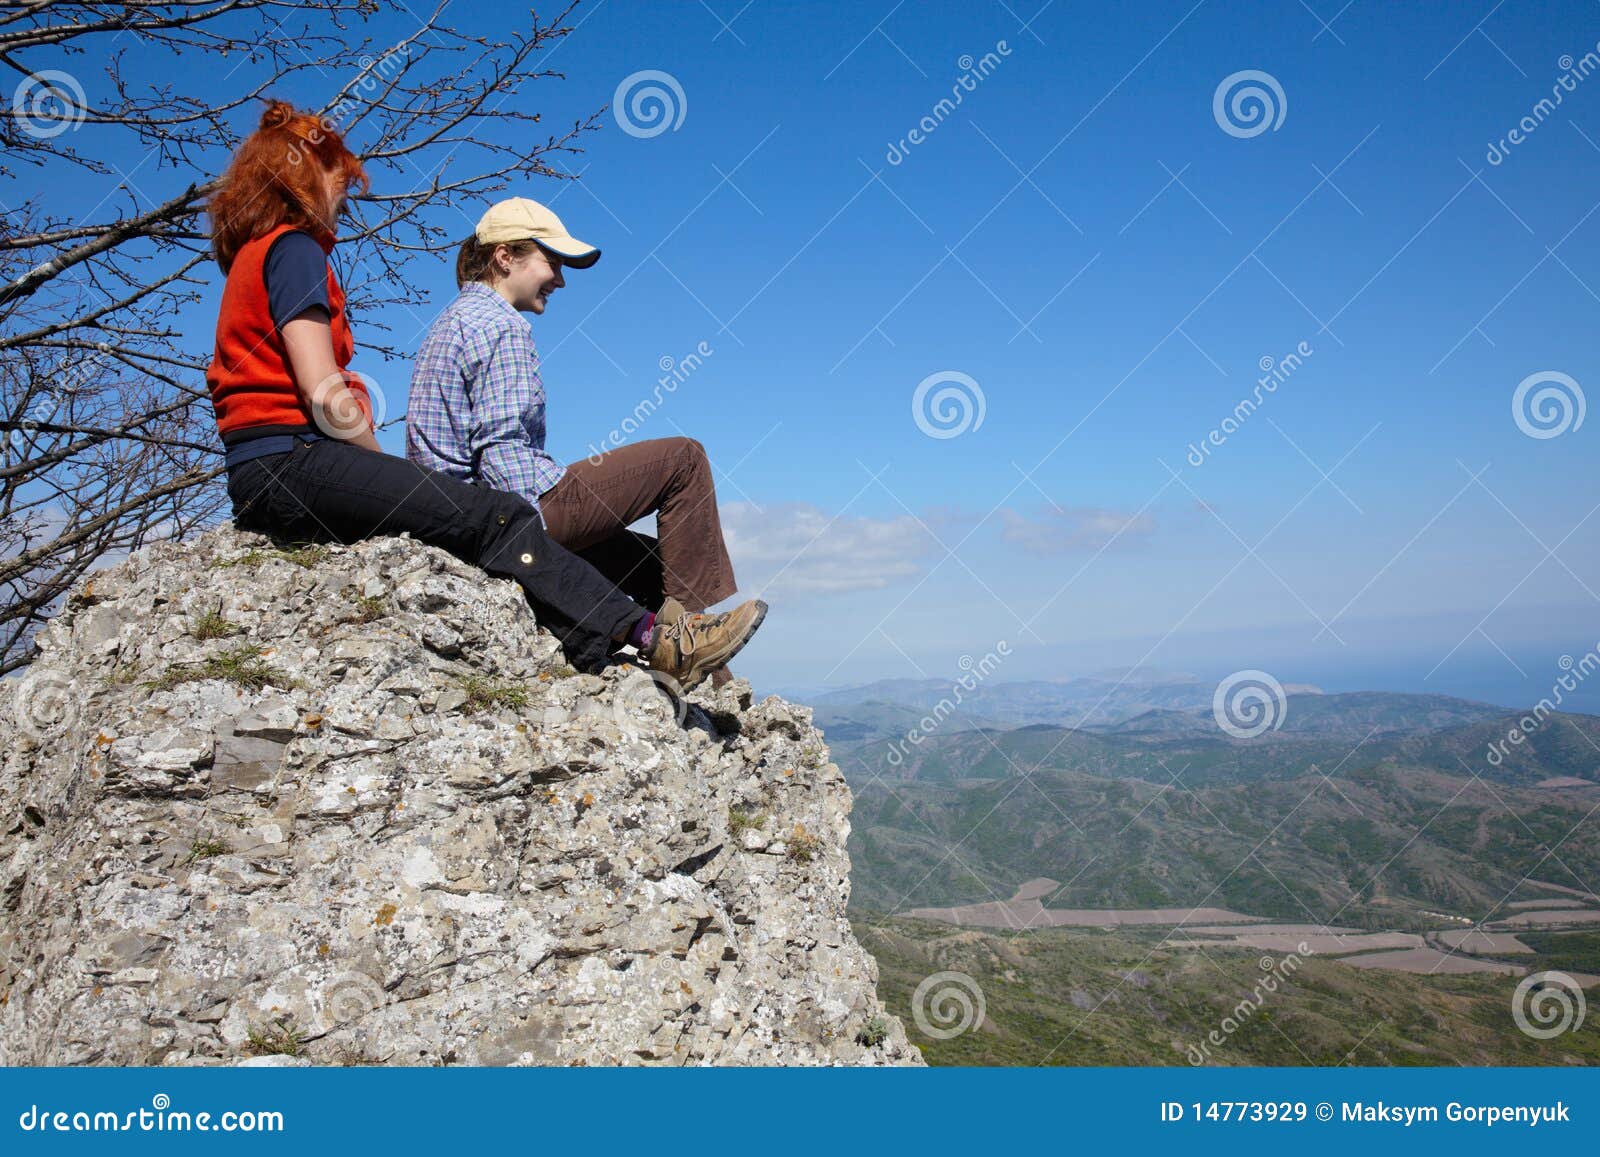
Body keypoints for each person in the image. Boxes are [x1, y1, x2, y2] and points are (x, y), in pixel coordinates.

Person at [204, 100, 765, 689]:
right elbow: (324, 392)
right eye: (338, 182)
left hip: (268, 464)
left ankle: (698, 666)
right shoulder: (295, 250)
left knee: (636, 557)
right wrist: (392, 483)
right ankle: (664, 639)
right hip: (289, 459)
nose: (344, 199)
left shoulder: (263, 257)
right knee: (669, 461)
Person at [405, 198, 752, 682]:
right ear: (505, 257)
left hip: (457, 516)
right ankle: (694, 643)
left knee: (654, 564)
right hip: (506, 510)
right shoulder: (501, 325)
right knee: (684, 458)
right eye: (553, 262)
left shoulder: (450, 322)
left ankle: (713, 677)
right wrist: (534, 528)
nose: (561, 279)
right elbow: (498, 451)